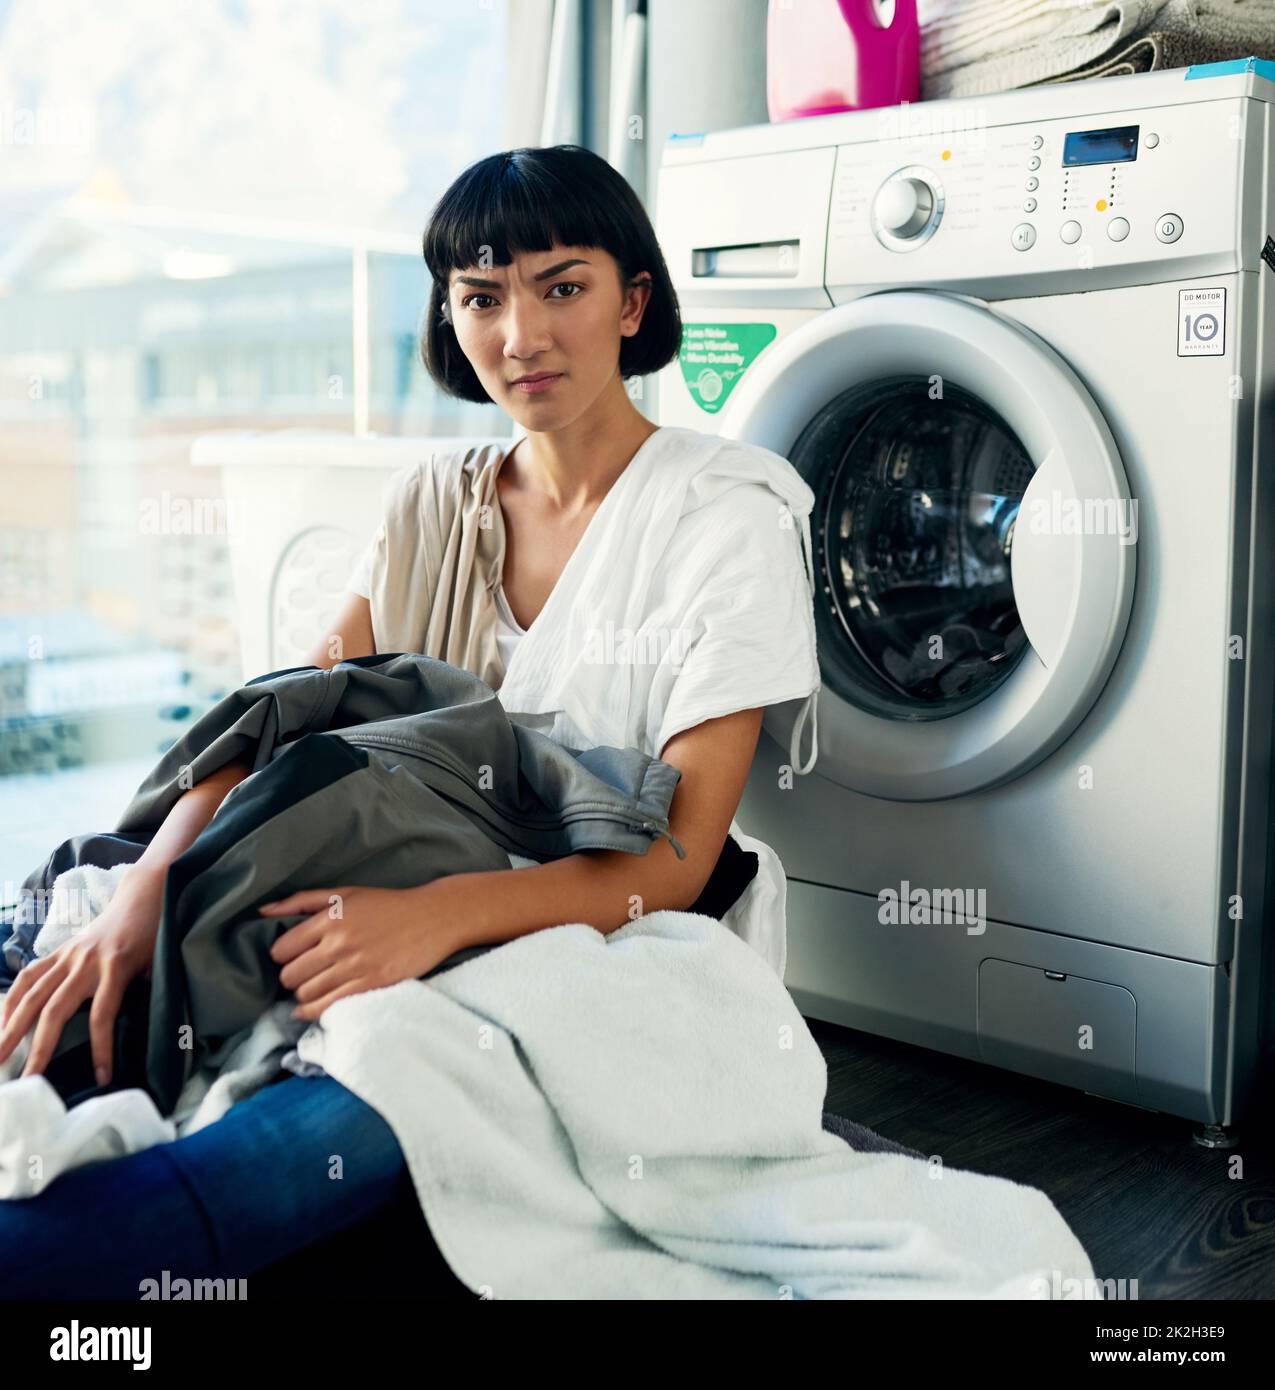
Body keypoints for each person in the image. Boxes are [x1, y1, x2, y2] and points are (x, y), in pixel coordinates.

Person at [0, 143, 818, 1298]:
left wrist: (430, 919)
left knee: (278, 1135)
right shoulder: (436, 501)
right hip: (370, 884)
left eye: (562, 286)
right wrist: (148, 888)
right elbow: (283, 719)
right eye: (482, 297)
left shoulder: (725, 520)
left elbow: (677, 862)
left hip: (606, 942)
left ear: (635, 300)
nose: (520, 334)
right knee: (64, 979)